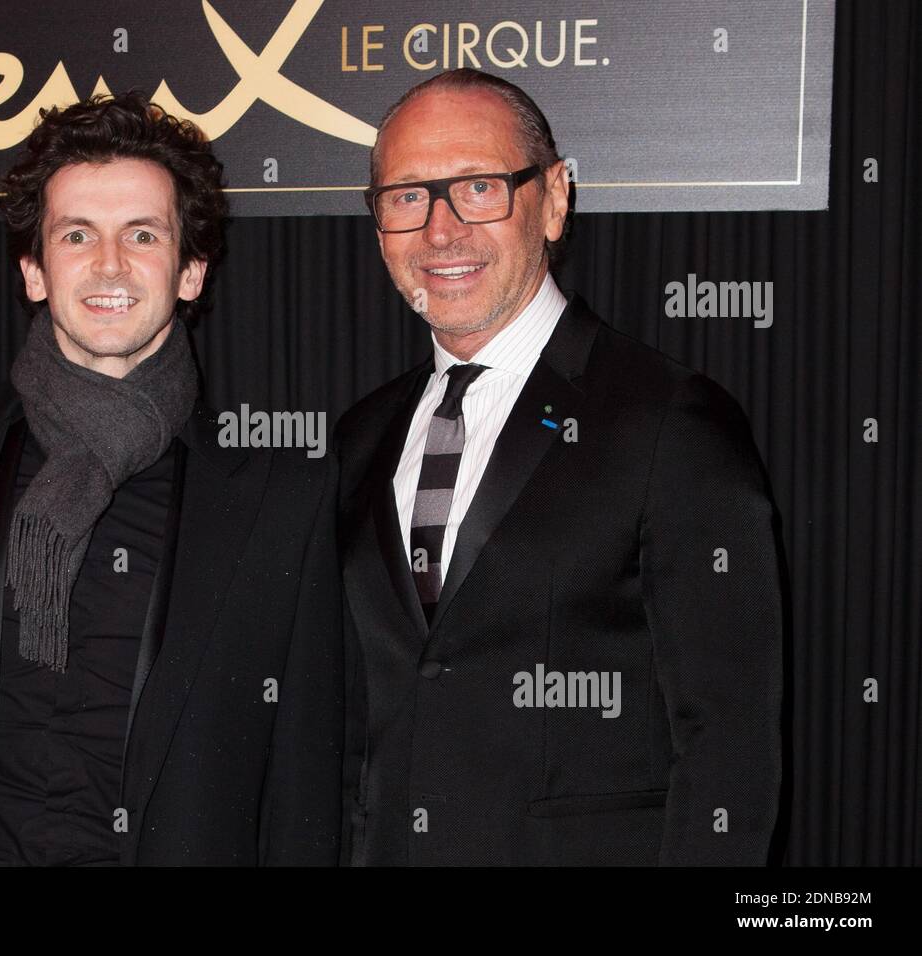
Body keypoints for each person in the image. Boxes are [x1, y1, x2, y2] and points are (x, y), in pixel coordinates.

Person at [0, 91, 342, 866]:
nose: (109, 264)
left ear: (192, 271)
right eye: (77, 234)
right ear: (34, 270)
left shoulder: (279, 500)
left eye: (144, 235)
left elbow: (301, 789)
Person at [336, 69, 784, 865]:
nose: (440, 230)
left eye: (478, 187)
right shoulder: (362, 435)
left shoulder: (669, 420)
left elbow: (730, 739)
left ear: (553, 198)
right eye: (407, 196)